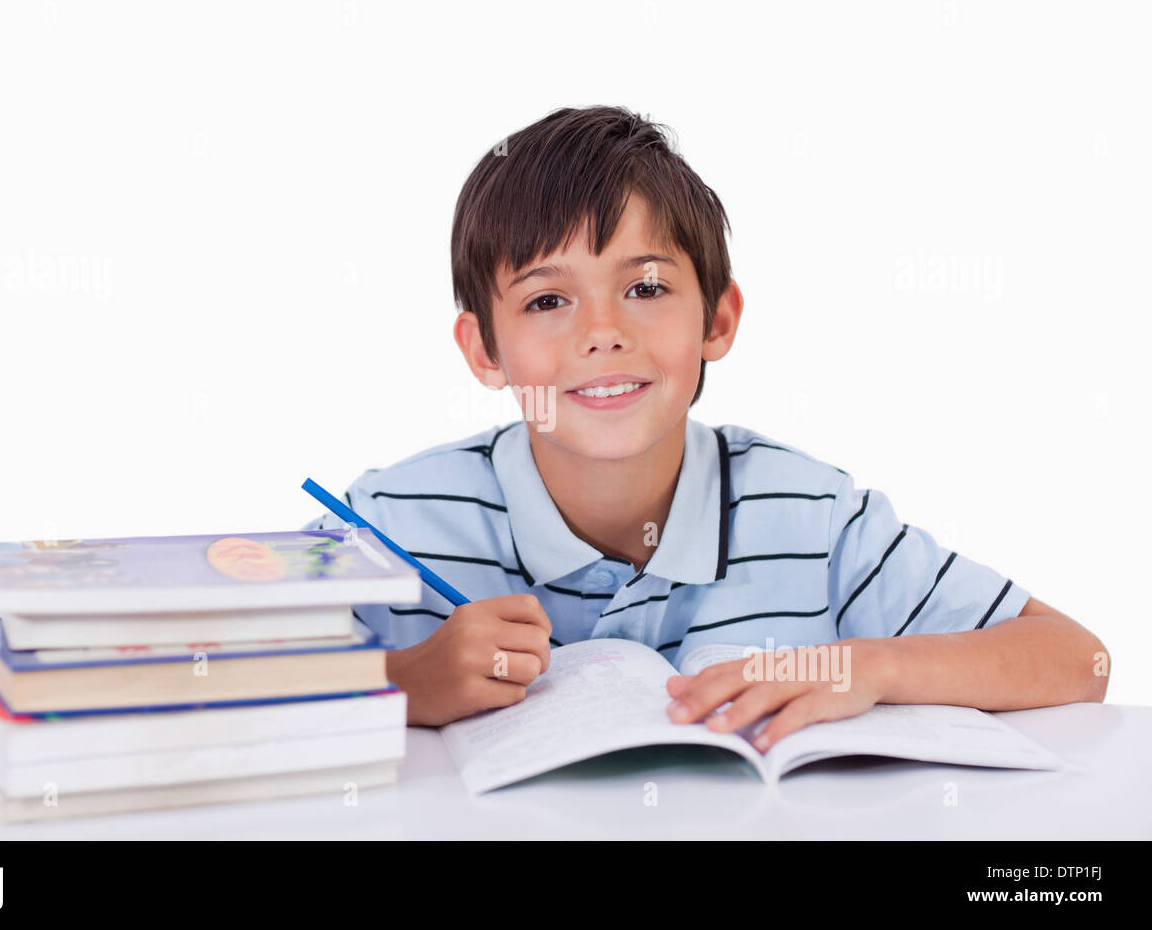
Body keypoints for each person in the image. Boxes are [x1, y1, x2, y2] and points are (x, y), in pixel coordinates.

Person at [304, 105, 1108, 750]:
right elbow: (195, 684)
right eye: (548, 301)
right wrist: (403, 681)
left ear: (717, 320)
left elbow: (1079, 659)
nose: (602, 332)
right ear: (484, 349)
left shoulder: (810, 515)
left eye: (646, 289)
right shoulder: (390, 524)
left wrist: (872, 665)